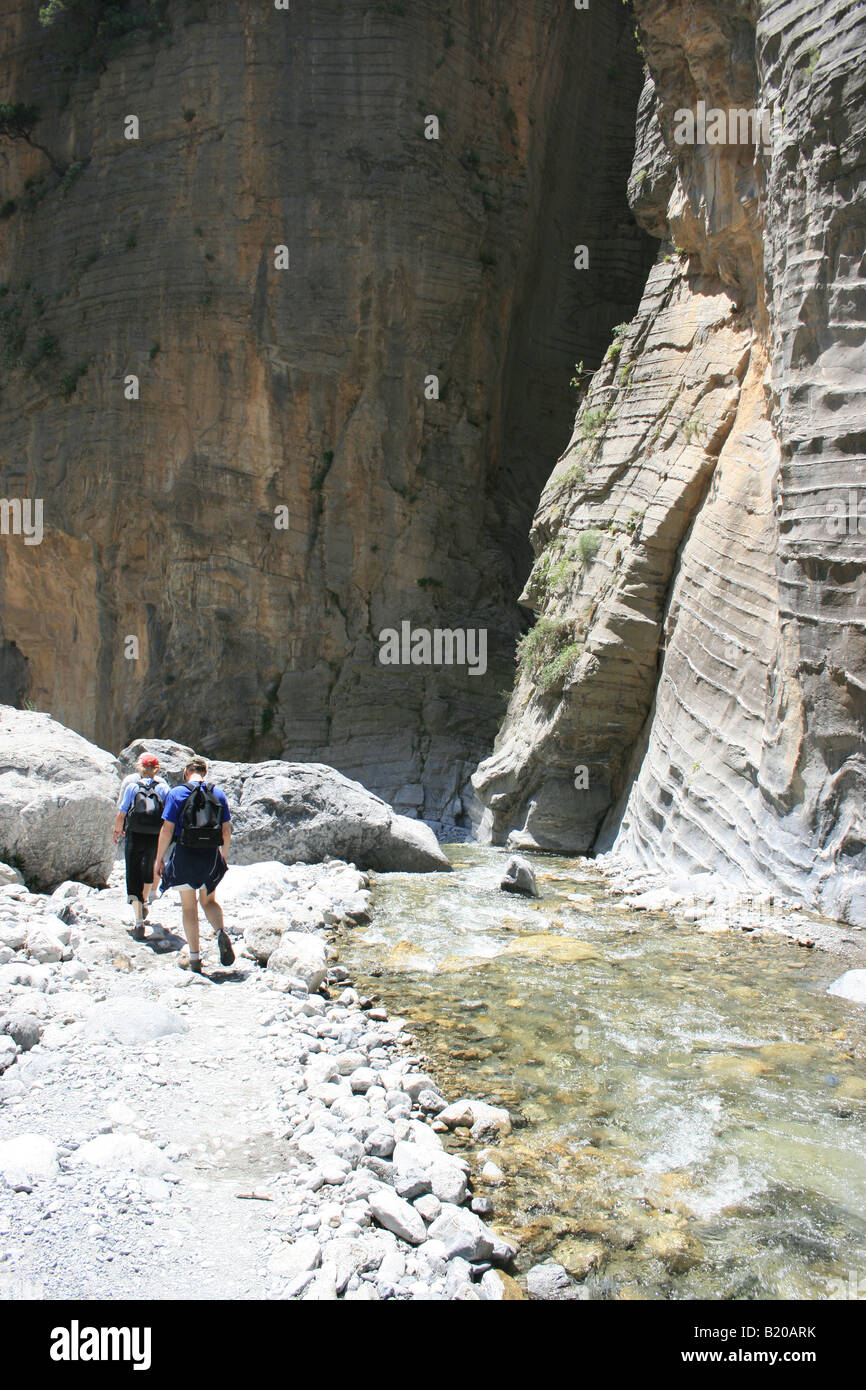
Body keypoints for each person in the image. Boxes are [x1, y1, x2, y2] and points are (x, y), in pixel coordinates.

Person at [155, 756, 234, 974]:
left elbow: (167, 830)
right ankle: (219, 932)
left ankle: (195, 959)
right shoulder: (218, 793)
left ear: (186, 771)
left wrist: (159, 858)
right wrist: (223, 858)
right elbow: (226, 831)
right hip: (210, 856)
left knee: (188, 906)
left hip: (185, 855)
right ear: (205, 772)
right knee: (208, 901)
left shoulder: (177, 793)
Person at [113, 754, 170, 940]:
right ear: (157, 769)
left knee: (133, 873)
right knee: (148, 872)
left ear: (140, 768)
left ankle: (138, 922)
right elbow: (170, 813)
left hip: (134, 834)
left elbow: (122, 812)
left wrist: (117, 830)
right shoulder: (162, 787)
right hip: (155, 835)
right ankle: (145, 901)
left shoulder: (132, 786)